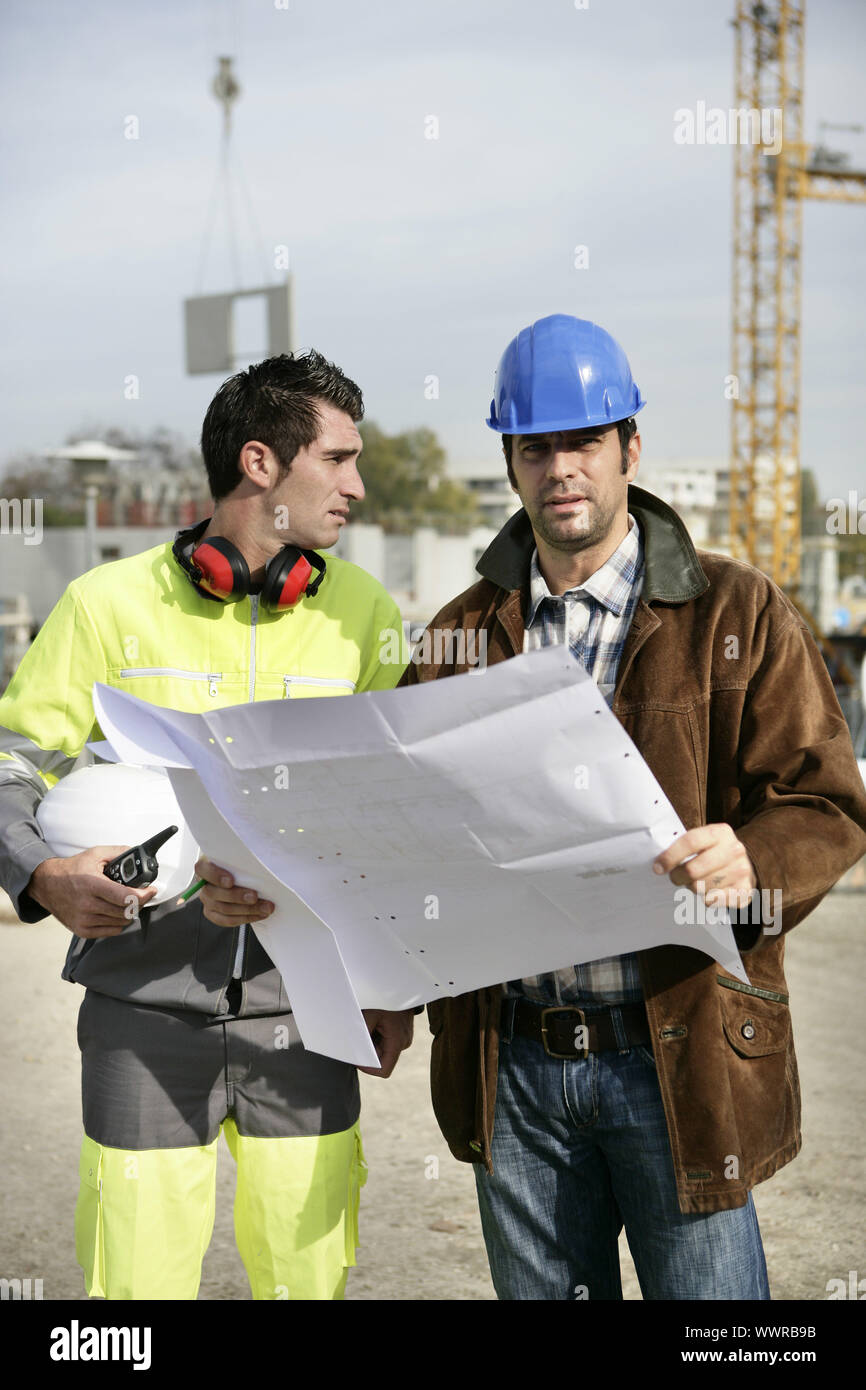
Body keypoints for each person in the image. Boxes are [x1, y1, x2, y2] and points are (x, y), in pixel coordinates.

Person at [399, 313, 866, 1300]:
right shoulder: (457, 633)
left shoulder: (736, 613)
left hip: (673, 1051)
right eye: (537, 446)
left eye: (583, 441)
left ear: (629, 449)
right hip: (513, 1063)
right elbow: (407, 832)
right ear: (511, 461)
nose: (560, 467)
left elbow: (824, 802)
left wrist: (752, 858)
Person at [0, 350, 415, 1300]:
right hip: (140, 1016)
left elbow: (393, 818)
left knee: (308, 1287)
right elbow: (9, 766)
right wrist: (40, 878)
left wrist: (395, 985)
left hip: (307, 1021)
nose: (357, 484)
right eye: (340, 459)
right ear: (261, 464)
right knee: (131, 1307)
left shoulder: (364, 615)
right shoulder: (104, 607)